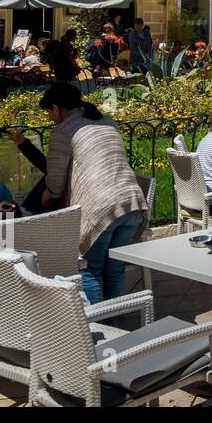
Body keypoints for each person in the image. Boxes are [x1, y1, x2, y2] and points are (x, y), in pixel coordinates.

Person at [37, 84, 146, 302]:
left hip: (100, 207)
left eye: (49, 112)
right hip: (132, 202)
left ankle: (100, 329)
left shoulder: (64, 130)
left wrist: (48, 195)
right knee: (115, 270)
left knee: (89, 269)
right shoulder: (106, 121)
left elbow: (56, 181)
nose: (50, 118)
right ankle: (115, 325)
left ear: (57, 108)